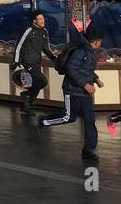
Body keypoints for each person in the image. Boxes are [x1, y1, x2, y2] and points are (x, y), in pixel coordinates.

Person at [39, 25, 104, 162]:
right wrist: (85, 84)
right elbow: (71, 69)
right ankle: (44, 120)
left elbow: (85, 70)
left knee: (90, 121)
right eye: (101, 41)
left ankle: (88, 150)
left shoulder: (89, 52)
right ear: (96, 41)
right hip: (72, 90)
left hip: (84, 93)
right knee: (69, 117)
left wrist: (95, 79)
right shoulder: (81, 50)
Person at [11, 10, 58, 113]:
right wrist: (15, 61)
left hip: (37, 62)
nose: (42, 21)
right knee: (42, 81)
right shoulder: (28, 30)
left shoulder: (44, 31)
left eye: (43, 18)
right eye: (40, 19)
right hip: (27, 61)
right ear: (34, 21)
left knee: (36, 83)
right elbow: (19, 45)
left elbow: (47, 48)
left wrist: (55, 58)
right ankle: (27, 96)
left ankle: (27, 105)